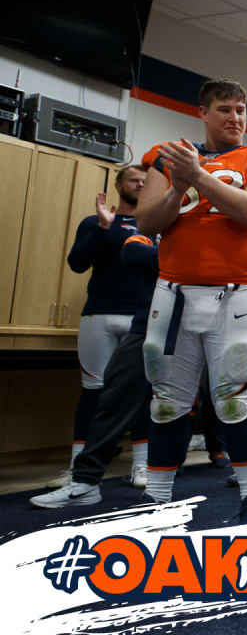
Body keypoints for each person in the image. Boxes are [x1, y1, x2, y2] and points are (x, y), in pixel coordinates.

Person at [133, 78, 247, 521]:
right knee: (167, 401)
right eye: (225, 109)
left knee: (233, 399)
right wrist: (177, 185)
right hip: (174, 292)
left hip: (234, 292)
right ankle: (157, 502)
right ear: (202, 113)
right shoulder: (167, 159)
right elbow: (146, 220)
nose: (235, 117)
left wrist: (198, 176)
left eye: (241, 109)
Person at [31, 230, 159, 508]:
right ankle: (85, 481)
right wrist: (187, 256)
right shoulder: (155, 224)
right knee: (117, 392)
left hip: (210, 316)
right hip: (150, 319)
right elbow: (134, 252)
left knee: (188, 404)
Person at [53, 165, 150, 490]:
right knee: (92, 393)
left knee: (138, 393)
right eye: (134, 179)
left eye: (144, 181)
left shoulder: (156, 225)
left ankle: (141, 466)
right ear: (119, 184)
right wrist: (103, 230)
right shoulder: (94, 222)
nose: (139, 184)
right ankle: (76, 469)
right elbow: (77, 263)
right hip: (98, 316)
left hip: (142, 318)